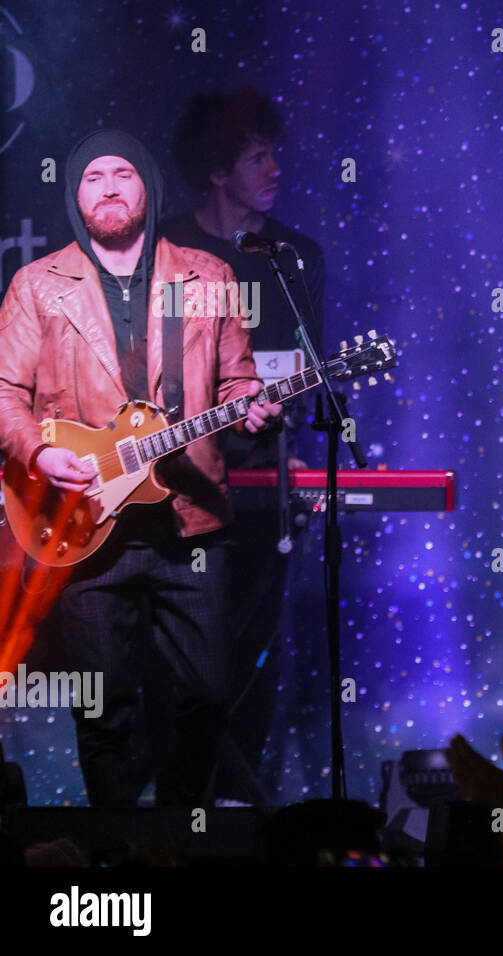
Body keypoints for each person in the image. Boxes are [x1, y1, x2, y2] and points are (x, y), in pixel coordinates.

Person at [0, 130, 281, 806]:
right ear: (75, 196)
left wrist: (251, 408)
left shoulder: (209, 276)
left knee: (211, 692)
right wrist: (39, 453)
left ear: (147, 187)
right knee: (104, 708)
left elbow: (237, 381)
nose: (109, 187)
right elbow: (4, 391)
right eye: (93, 176)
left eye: (123, 172)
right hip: (85, 525)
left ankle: (180, 829)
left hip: (191, 522)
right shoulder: (39, 285)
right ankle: (117, 844)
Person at [161, 87, 325, 804]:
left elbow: (303, 368)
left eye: (275, 153)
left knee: (254, 651)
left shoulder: (296, 255)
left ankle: (236, 811)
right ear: (218, 169)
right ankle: (173, 811)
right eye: (258, 155)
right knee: (179, 659)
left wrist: (280, 409)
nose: (275, 167)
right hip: (173, 485)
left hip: (266, 480)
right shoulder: (165, 252)